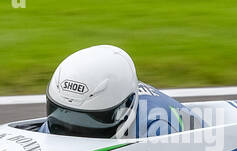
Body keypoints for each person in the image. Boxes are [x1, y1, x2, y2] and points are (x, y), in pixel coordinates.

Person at [43, 45, 199, 139]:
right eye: (64, 114)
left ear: (126, 107)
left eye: (88, 123)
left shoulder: (161, 130)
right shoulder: (58, 122)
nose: (70, 131)